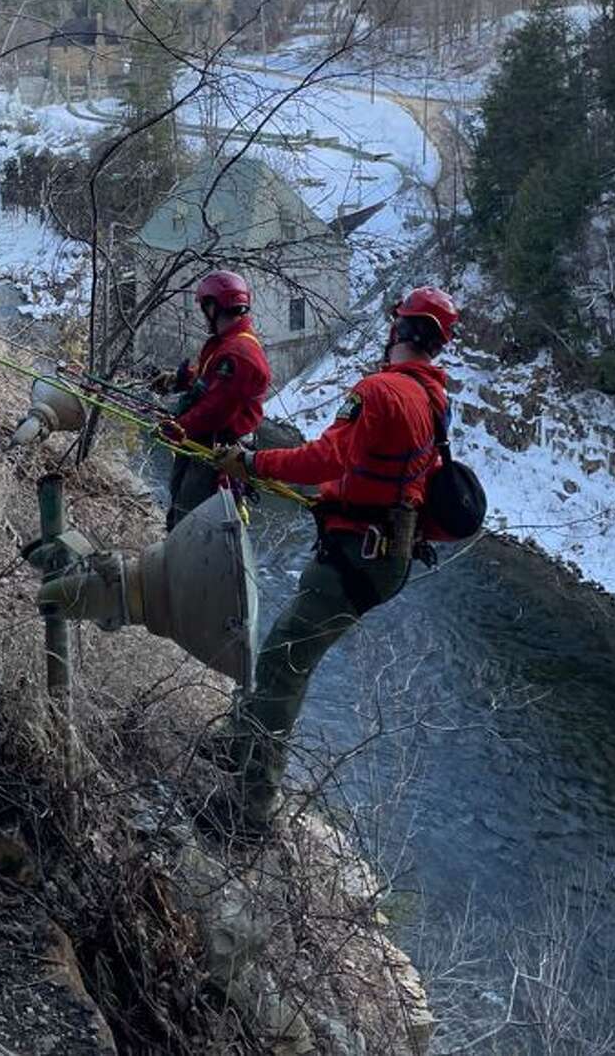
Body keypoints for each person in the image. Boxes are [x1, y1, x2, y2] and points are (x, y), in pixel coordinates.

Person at [214, 285, 459, 828]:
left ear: (399, 328)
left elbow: (325, 458)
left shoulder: (380, 391)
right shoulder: (434, 397)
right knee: (286, 653)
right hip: (383, 554)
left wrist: (251, 463)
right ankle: (237, 745)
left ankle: (253, 806)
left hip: (356, 554)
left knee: (281, 661)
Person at [151, 270, 272, 529]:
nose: (203, 313)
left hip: (217, 450)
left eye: (205, 307)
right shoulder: (228, 343)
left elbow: (216, 410)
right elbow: (210, 379)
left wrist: (179, 427)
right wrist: (178, 379)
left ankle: (187, 552)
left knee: (191, 518)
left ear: (214, 306)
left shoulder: (239, 353)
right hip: (204, 442)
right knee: (181, 506)